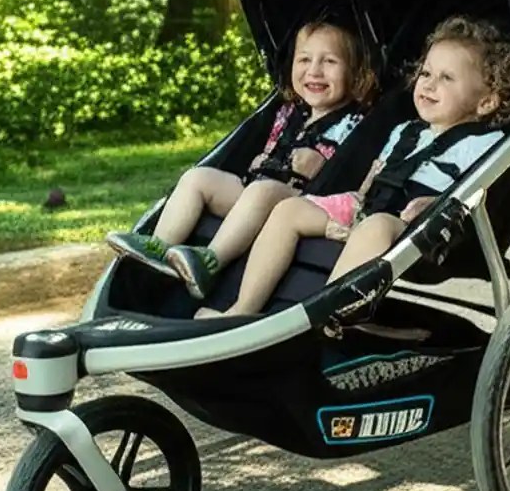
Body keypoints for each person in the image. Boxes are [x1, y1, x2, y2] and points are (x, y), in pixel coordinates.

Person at [204, 15, 510, 318]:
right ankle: (243, 308)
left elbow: (480, 194)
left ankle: (322, 316)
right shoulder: (404, 131)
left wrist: (436, 206)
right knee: (289, 210)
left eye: (447, 78)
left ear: (486, 102)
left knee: (378, 225)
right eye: (426, 73)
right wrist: (353, 208)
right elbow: (375, 174)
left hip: (419, 228)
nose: (428, 84)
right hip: (369, 210)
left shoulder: (485, 143)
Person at [106, 20, 376, 299]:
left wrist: (319, 166)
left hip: (298, 200)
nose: (314, 70)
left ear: (356, 74)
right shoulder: (288, 113)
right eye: (304, 59)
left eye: (329, 61)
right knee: (198, 178)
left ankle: (210, 261)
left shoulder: (357, 123)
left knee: (262, 190)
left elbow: (347, 172)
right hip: (255, 191)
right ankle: (160, 246)